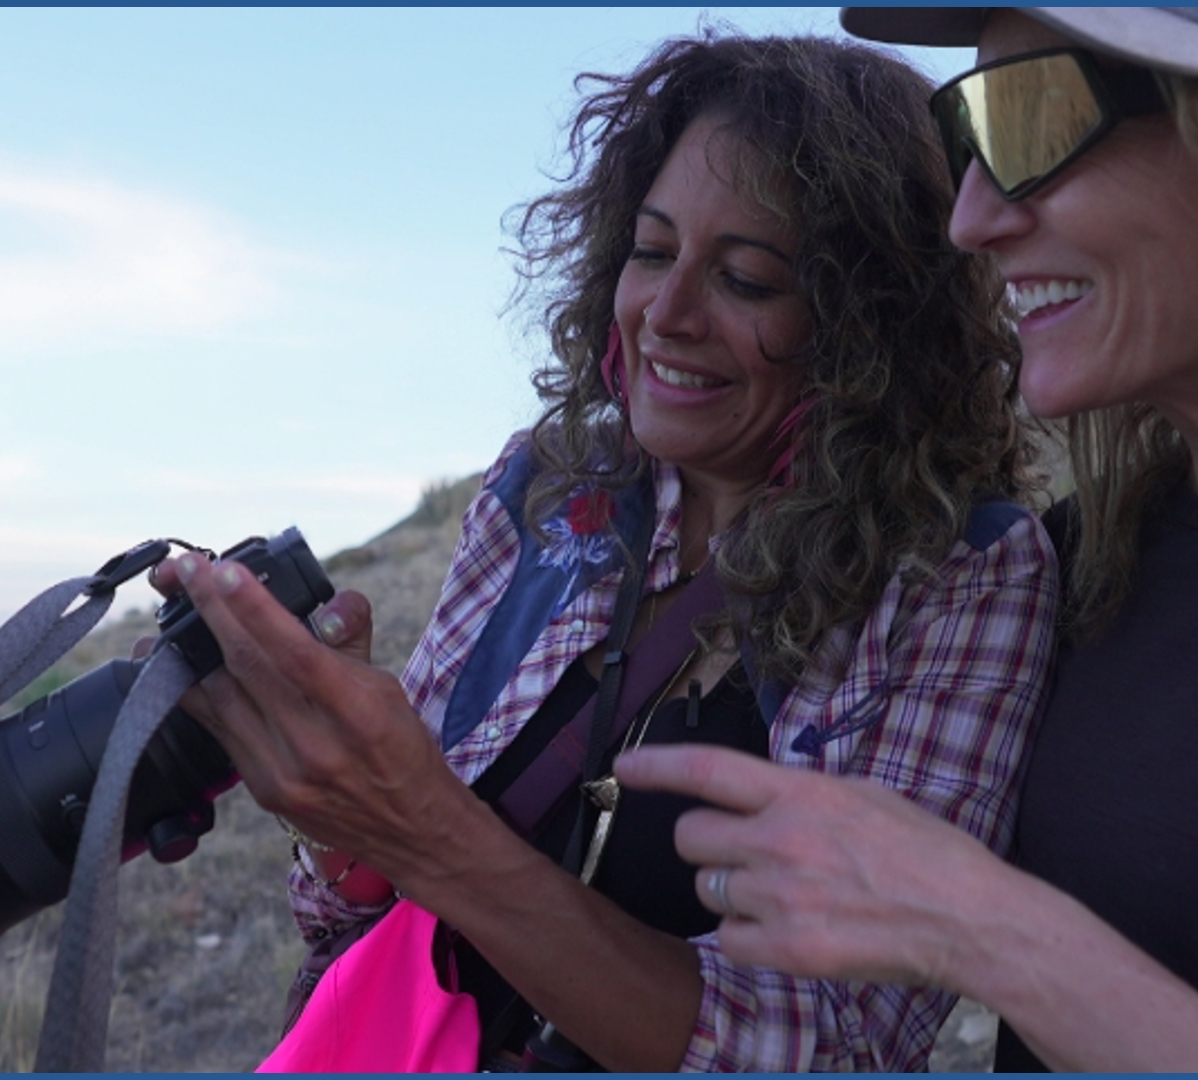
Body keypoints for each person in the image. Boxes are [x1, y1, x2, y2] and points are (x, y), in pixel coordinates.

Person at [158, 32, 1056, 1072]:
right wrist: (339, 802)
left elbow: (838, 1043)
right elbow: (358, 914)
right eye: (653, 251)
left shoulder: (963, 577)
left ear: (870, 326)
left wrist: (430, 830)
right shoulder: (548, 487)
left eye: (747, 279)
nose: (666, 315)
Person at [618, 7, 1198, 1072]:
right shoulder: (1085, 563)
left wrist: (989, 929)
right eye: (966, 136)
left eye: (1033, 119)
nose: (971, 218)